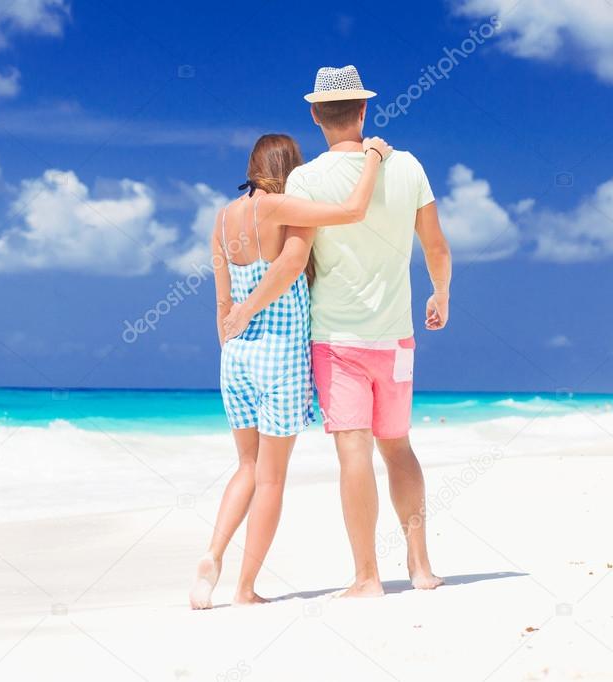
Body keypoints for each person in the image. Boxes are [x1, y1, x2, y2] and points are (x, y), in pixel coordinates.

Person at [223, 65, 452, 597]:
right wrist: (440, 295)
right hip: (396, 337)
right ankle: (420, 568)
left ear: (314, 116)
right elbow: (436, 247)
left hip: (337, 340)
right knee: (398, 448)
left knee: (355, 451)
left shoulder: (305, 180)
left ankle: (367, 577)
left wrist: (245, 310)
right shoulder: (408, 166)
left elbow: (296, 255)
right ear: (365, 110)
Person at [190, 132, 392, 609]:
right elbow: (350, 213)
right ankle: (244, 588)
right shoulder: (281, 208)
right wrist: (372, 161)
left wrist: (235, 328)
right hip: (279, 355)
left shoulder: (222, 220)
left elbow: (222, 302)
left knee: (245, 466)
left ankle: (213, 554)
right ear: (288, 168)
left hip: (235, 356)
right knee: (272, 479)